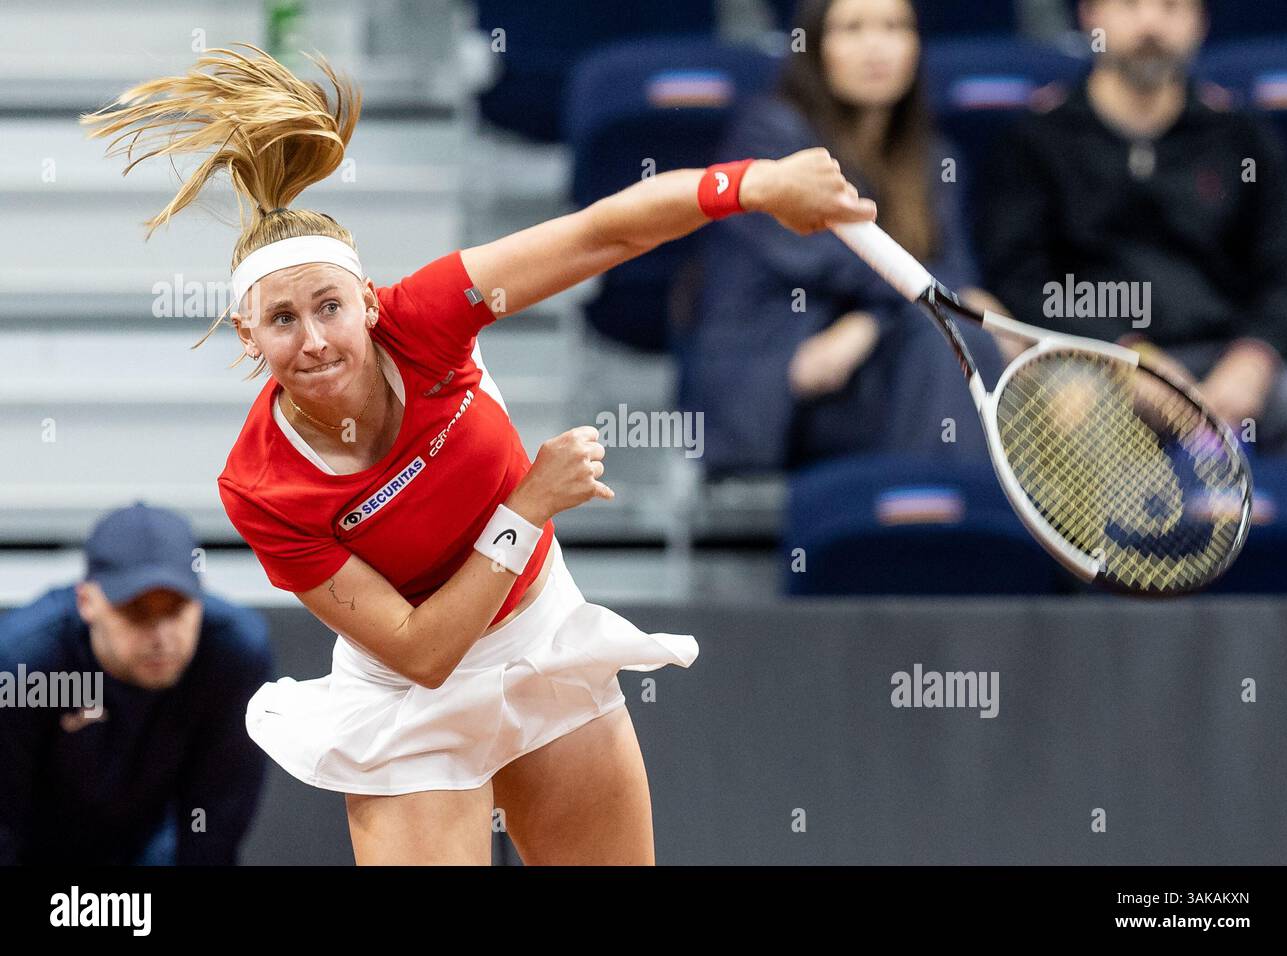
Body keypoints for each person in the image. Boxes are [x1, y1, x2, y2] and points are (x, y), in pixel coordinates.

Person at [80, 43, 874, 865]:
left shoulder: (426, 316)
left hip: (539, 633)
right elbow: (423, 654)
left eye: (330, 307)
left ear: (369, 301)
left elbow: (599, 234)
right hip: (407, 698)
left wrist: (751, 184)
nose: (314, 340)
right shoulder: (261, 486)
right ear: (249, 333)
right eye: (283, 320)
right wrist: (526, 509)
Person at [677, 0, 1009, 477]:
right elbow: (828, 259)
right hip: (784, 376)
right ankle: (946, 526)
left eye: (894, 27)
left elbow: (952, 276)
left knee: (949, 344)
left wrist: (869, 325)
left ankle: (939, 523)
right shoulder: (770, 135)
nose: (876, 46)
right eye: (851, 29)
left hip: (886, 363)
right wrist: (891, 315)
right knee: (940, 343)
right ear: (813, 48)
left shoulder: (936, 157)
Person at [979, 0, 1287, 459]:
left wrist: (1254, 357)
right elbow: (1020, 280)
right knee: (1071, 402)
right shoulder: (1035, 142)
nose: (1151, 23)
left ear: (1199, 22)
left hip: (1229, 359)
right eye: (1129, 5)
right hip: (1094, 359)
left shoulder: (1245, 140)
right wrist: (1126, 355)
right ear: (1090, 17)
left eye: (1171, 6)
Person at [0, 502, 272, 865]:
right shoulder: (24, 665)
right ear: (87, 602)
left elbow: (216, 823)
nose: (161, 637)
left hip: (152, 847)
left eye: (176, 610)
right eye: (136, 611)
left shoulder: (235, 653)